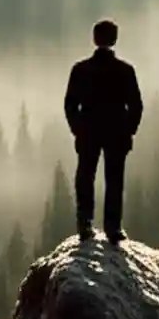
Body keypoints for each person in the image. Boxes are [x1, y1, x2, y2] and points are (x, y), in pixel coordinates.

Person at [64, 19, 143, 243]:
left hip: (88, 132)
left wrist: (77, 129)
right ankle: (112, 227)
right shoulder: (125, 70)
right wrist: (129, 130)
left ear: (94, 39)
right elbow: (136, 105)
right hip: (116, 133)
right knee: (115, 180)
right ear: (115, 39)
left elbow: (70, 104)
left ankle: (85, 223)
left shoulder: (80, 69)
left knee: (85, 177)